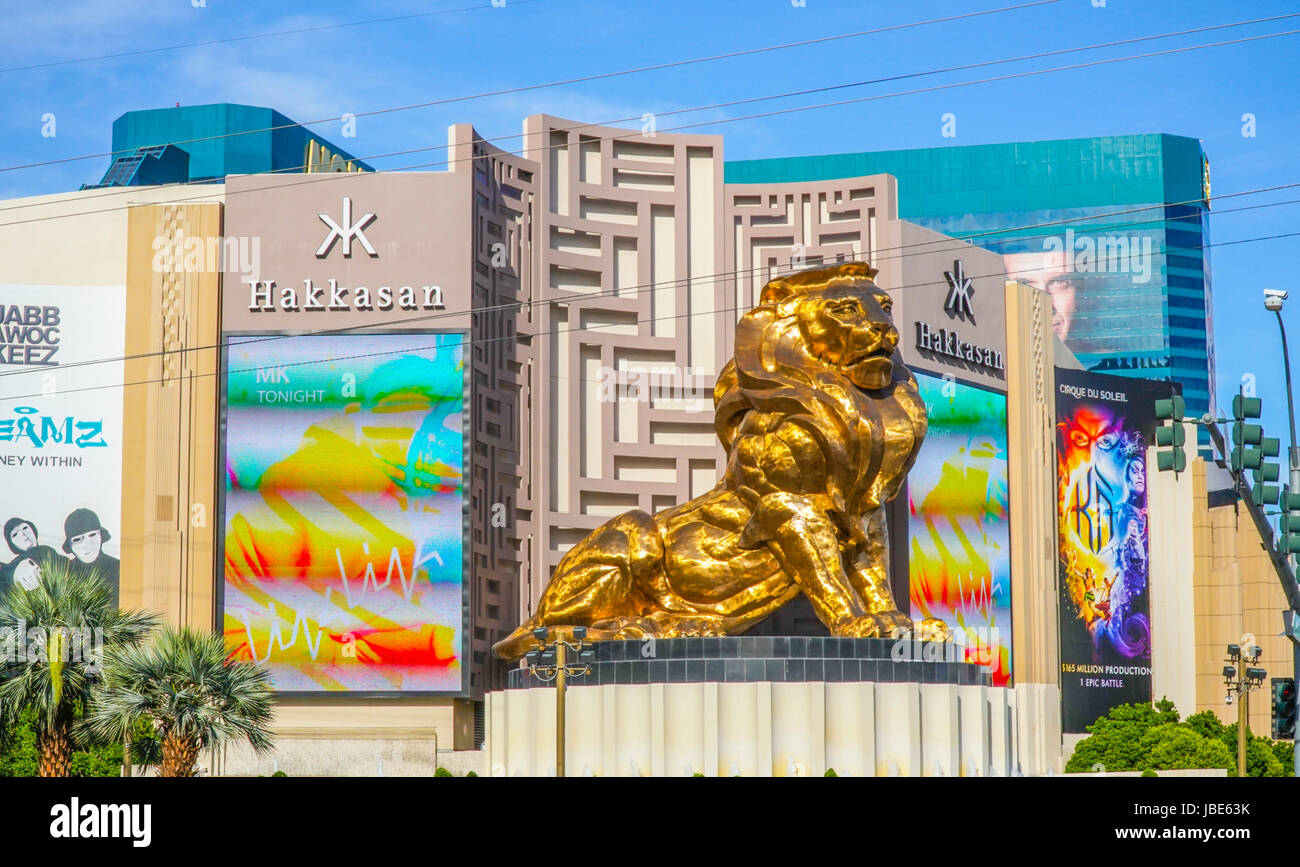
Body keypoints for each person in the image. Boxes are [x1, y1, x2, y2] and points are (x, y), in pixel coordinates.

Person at [62, 508, 119, 607]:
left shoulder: (119, 567)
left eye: (92, 535)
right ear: (70, 546)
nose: (86, 544)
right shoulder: (63, 572)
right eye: (77, 539)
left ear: (101, 536)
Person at [2, 517, 62, 593]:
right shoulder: (12, 566)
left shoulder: (47, 550)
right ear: (12, 544)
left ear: (33, 530)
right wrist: (14, 577)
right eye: (15, 534)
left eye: (25, 528)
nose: (22, 534)